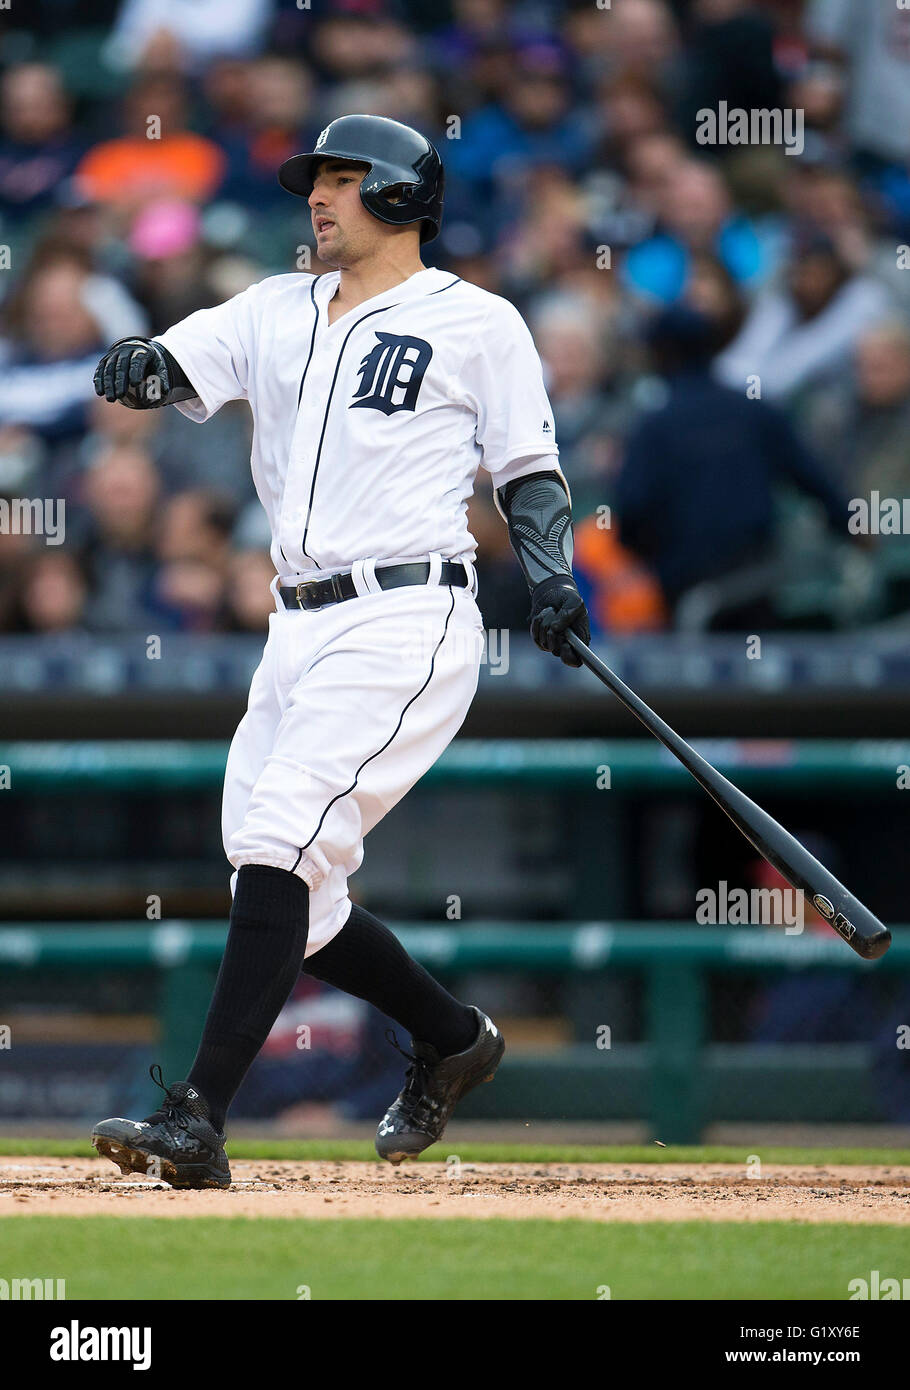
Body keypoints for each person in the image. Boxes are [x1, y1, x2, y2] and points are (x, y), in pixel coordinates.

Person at [89, 114, 590, 1187]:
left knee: (280, 837)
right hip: (295, 626)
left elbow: (528, 469)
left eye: (345, 178)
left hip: (406, 613)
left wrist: (551, 577)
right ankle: (453, 1037)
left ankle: (196, 1118)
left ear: (405, 194)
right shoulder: (274, 308)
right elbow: (173, 359)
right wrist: (137, 363)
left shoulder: (476, 320)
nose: (318, 197)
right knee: (283, 881)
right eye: (313, 180)